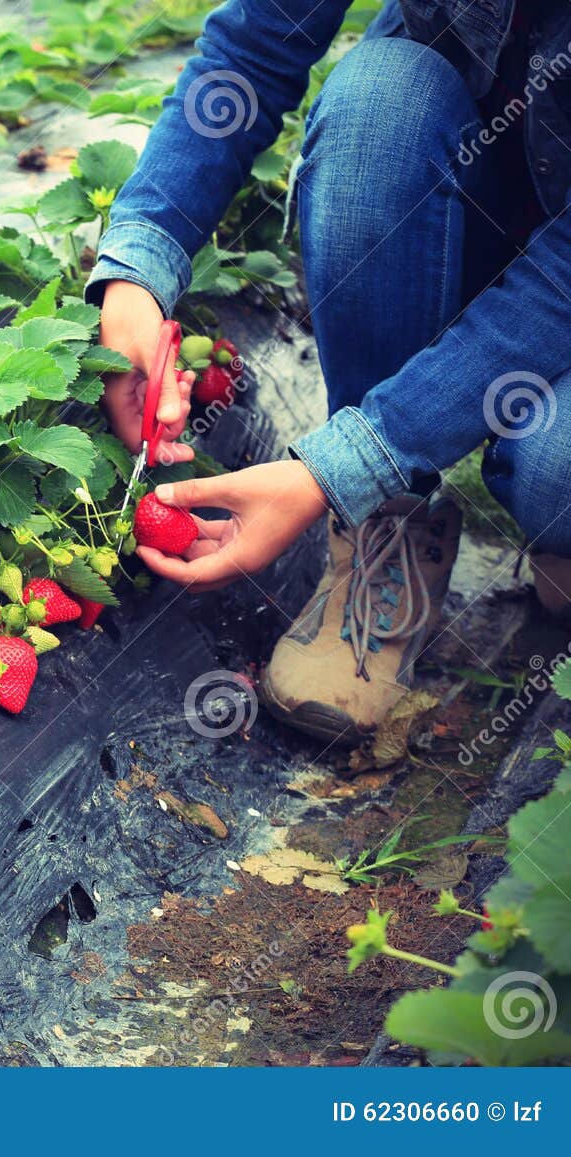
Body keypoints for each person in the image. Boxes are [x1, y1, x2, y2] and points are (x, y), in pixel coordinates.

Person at [90, 0, 571, 744]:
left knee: (555, 467)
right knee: (378, 102)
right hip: (463, 183)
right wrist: (137, 275)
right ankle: (387, 526)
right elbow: (251, 51)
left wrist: (335, 467)